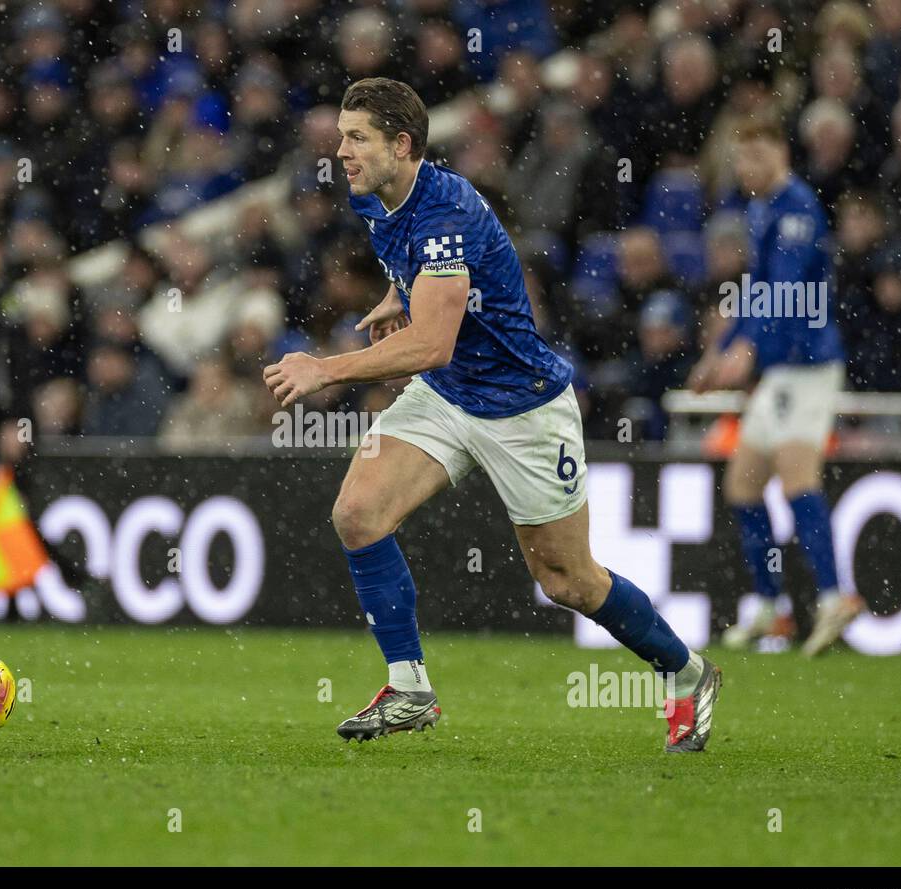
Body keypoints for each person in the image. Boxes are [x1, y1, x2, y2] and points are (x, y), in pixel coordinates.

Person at [263, 79, 721, 751]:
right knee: (357, 515)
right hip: (449, 394)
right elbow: (424, 281)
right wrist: (402, 292)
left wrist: (324, 367)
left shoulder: (444, 212)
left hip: (522, 406)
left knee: (568, 580)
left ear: (402, 144)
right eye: (340, 135)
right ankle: (410, 685)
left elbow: (431, 342)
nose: (342, 150)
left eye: (356, 137)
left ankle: (686, 672)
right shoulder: (378, 194)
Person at [687, 116, 864, 656]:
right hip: (782, 368)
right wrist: (721, 350)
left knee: (795, 478)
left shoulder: (797, 209)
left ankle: (834, 596)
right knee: (743, 484)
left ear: (781, 154)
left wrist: (748, 349)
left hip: (808, 367)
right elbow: (758, 288)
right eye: (740, 159)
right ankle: (770, 607)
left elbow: (785, 290)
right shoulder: (761, 209)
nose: (745, 168)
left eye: (755, 156)